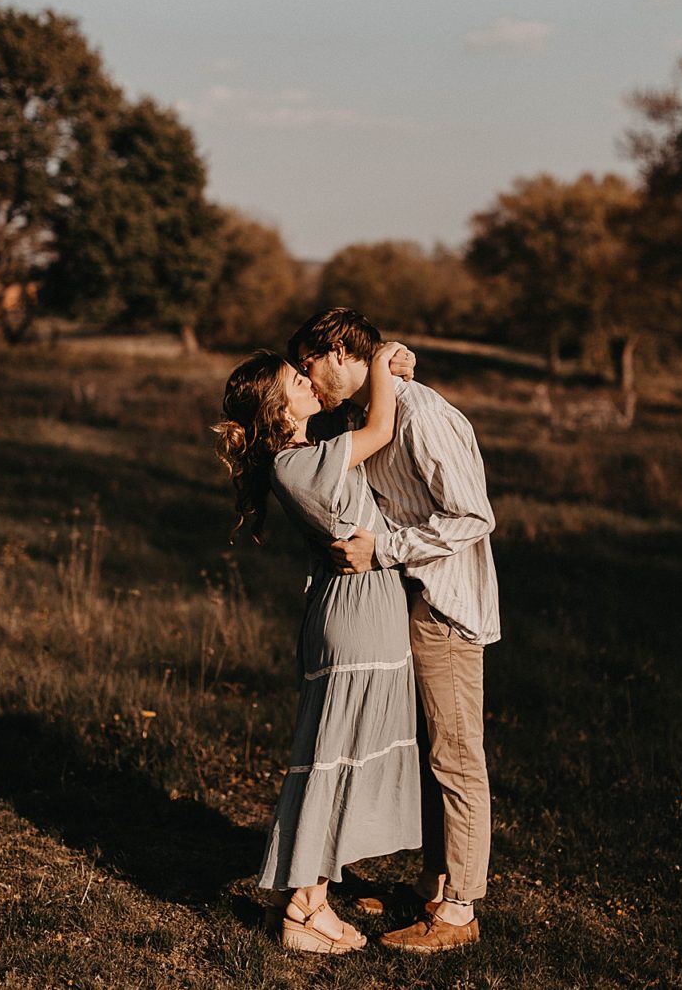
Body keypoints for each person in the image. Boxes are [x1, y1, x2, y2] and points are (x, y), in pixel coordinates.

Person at [289, 307, 498, 953]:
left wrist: (382, 550)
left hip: (445, 604)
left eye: (308, 364)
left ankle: (458, 913)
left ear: (339, 352)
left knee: (455, 756)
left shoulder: (423, 415)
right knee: (425, 751)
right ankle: (433, 887)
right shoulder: (367, 412)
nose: (306, 378)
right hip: (406, 598)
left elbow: (473, 516)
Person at [214, 341, 419, 953]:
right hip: (354, 619)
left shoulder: (310, 452)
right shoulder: (295, 464)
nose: (309, 380)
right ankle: (305, 908)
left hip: (367, 609)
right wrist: (379, 360)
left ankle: (308, 898)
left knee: (345, 758)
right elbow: (380, 429)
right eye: (296, 380)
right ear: (277, 408)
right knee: (335, 759)